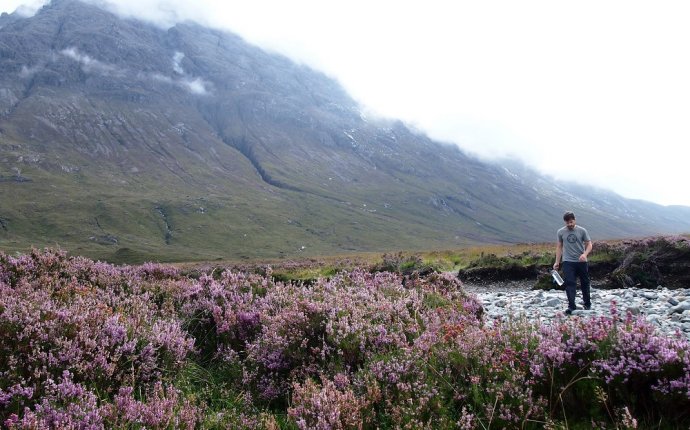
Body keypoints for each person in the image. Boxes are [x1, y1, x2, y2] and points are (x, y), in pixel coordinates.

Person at [553, 211, 593, 315]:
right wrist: (557, 262)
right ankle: (571, 306)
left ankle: (587, 304)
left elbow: (589, 244)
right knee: (570, 283)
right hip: (568, 261)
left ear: (574, 220)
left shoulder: (582, 230)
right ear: (564, 222)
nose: (570, 224)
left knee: (585, 282)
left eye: (571, 222)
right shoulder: (560, 232)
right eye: (567, 223)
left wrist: (585, 254)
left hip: (581, 261)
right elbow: (559, 247)